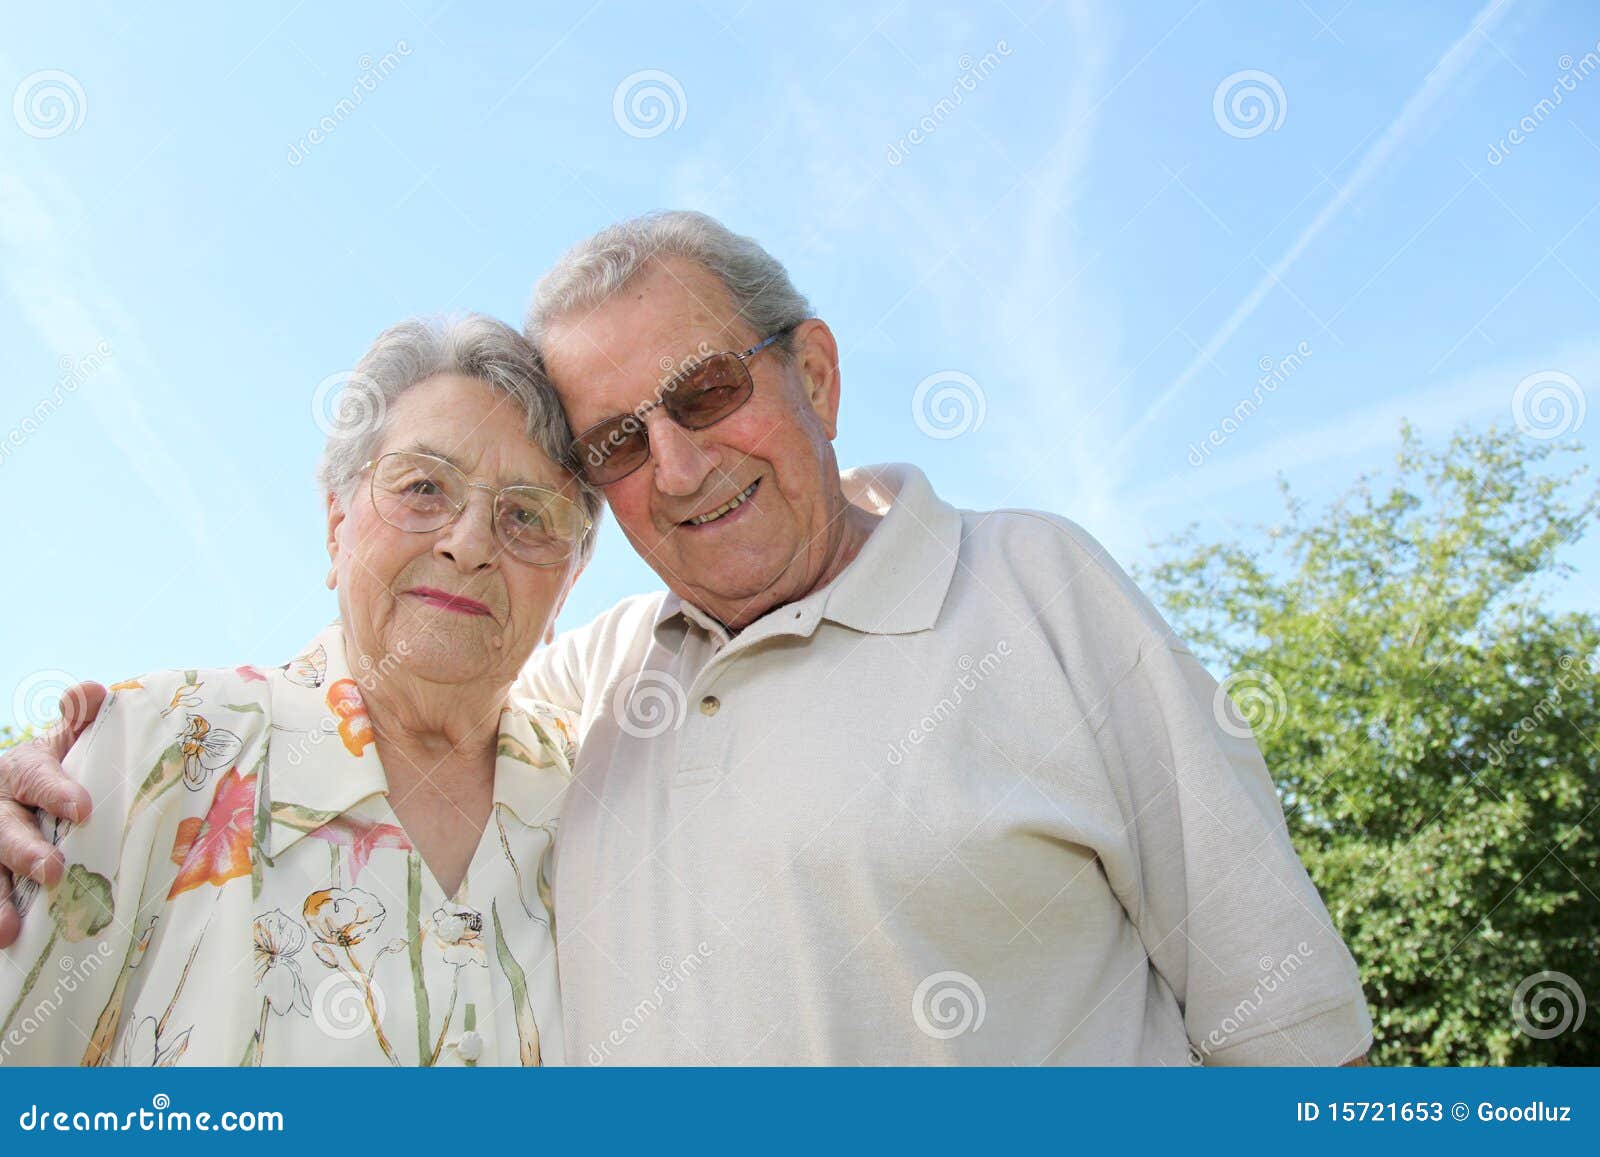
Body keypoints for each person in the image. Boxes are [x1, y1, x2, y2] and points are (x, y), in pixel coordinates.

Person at [1, 212, 1372, 1065]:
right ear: (338, 509)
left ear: (815, 374)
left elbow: (1288, 1026)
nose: (680, 463)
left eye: (706, 392)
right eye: (616, 443)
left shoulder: (1034, 591)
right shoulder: (564, 706)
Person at [0, 315, 600, 1066]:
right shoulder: (153, 746)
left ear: (569, 579)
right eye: (423, 487)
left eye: (527, 515)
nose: (470, 542)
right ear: (335, 522)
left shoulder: (609, 804)